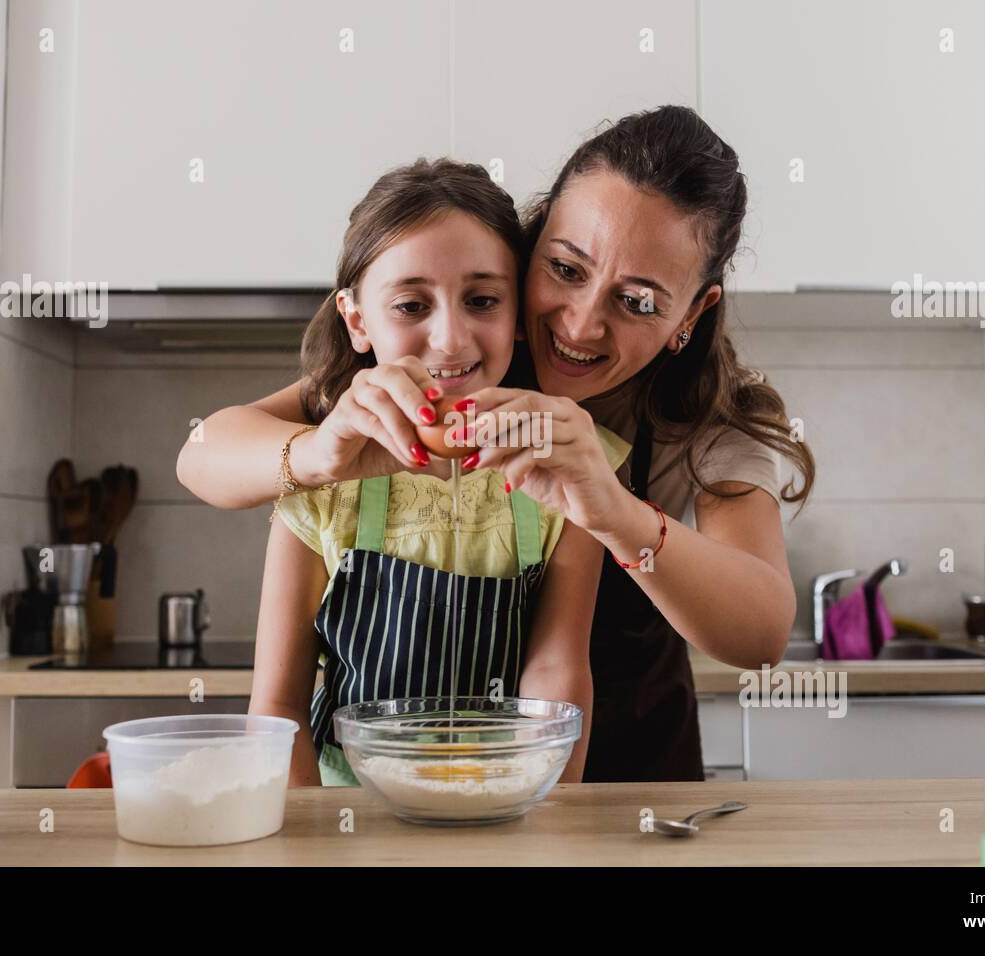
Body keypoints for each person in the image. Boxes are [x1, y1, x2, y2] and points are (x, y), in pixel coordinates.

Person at [183, 106, 816, 782]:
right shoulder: (453, 354)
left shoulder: (709, 418)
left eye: (636, 302)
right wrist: (315, 455)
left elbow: (759, 636)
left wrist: (612, 511)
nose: (579, 325)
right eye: (566, 270)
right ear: (528, 254)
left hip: (631, 784)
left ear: (691, 314)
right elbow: (203, 453)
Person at [248, 158, 629, 786]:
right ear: (357, 320)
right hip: (350, 825)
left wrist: (546, 829)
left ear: (519, 314)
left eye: (482, 300)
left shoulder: (568, 462)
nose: (450, 340)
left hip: (504, 809)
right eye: (410, 305)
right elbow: (278, 705)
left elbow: (557, 676)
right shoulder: (321, 473)